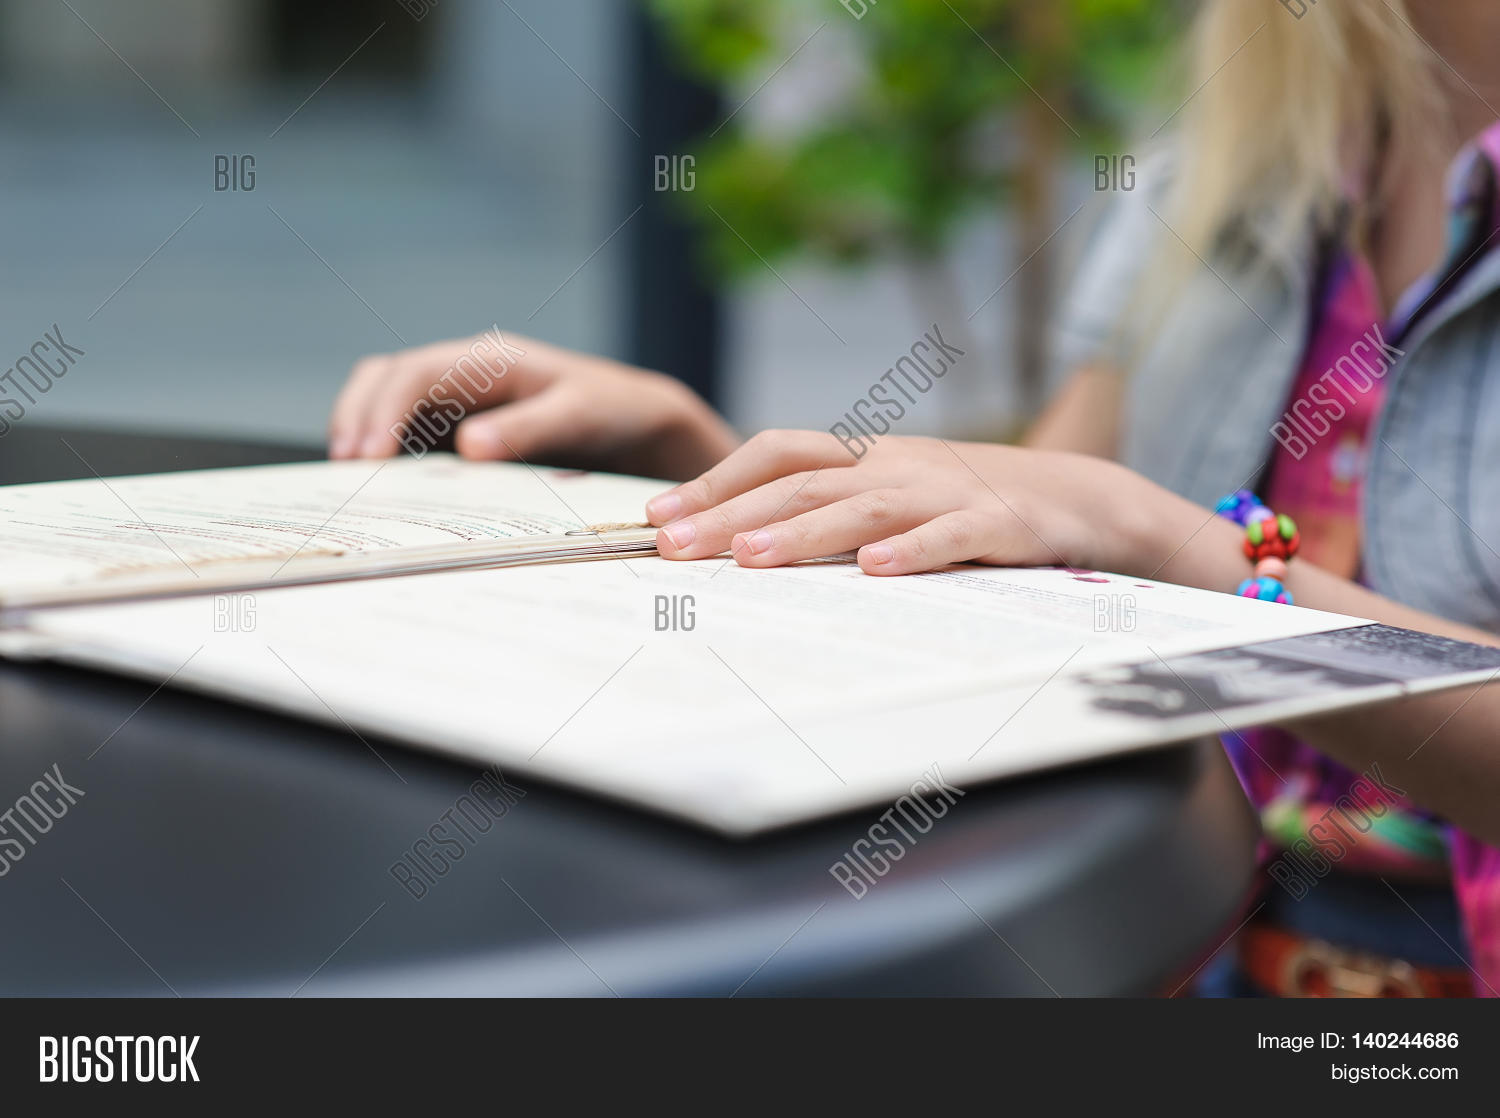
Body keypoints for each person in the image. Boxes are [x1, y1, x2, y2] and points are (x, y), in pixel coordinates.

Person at [328, 0, 1500, 996]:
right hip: (1163, 933)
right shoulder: (1229, 164)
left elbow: (1126, 522)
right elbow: (1026, 565)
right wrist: (724, 485)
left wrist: (1186, 545)